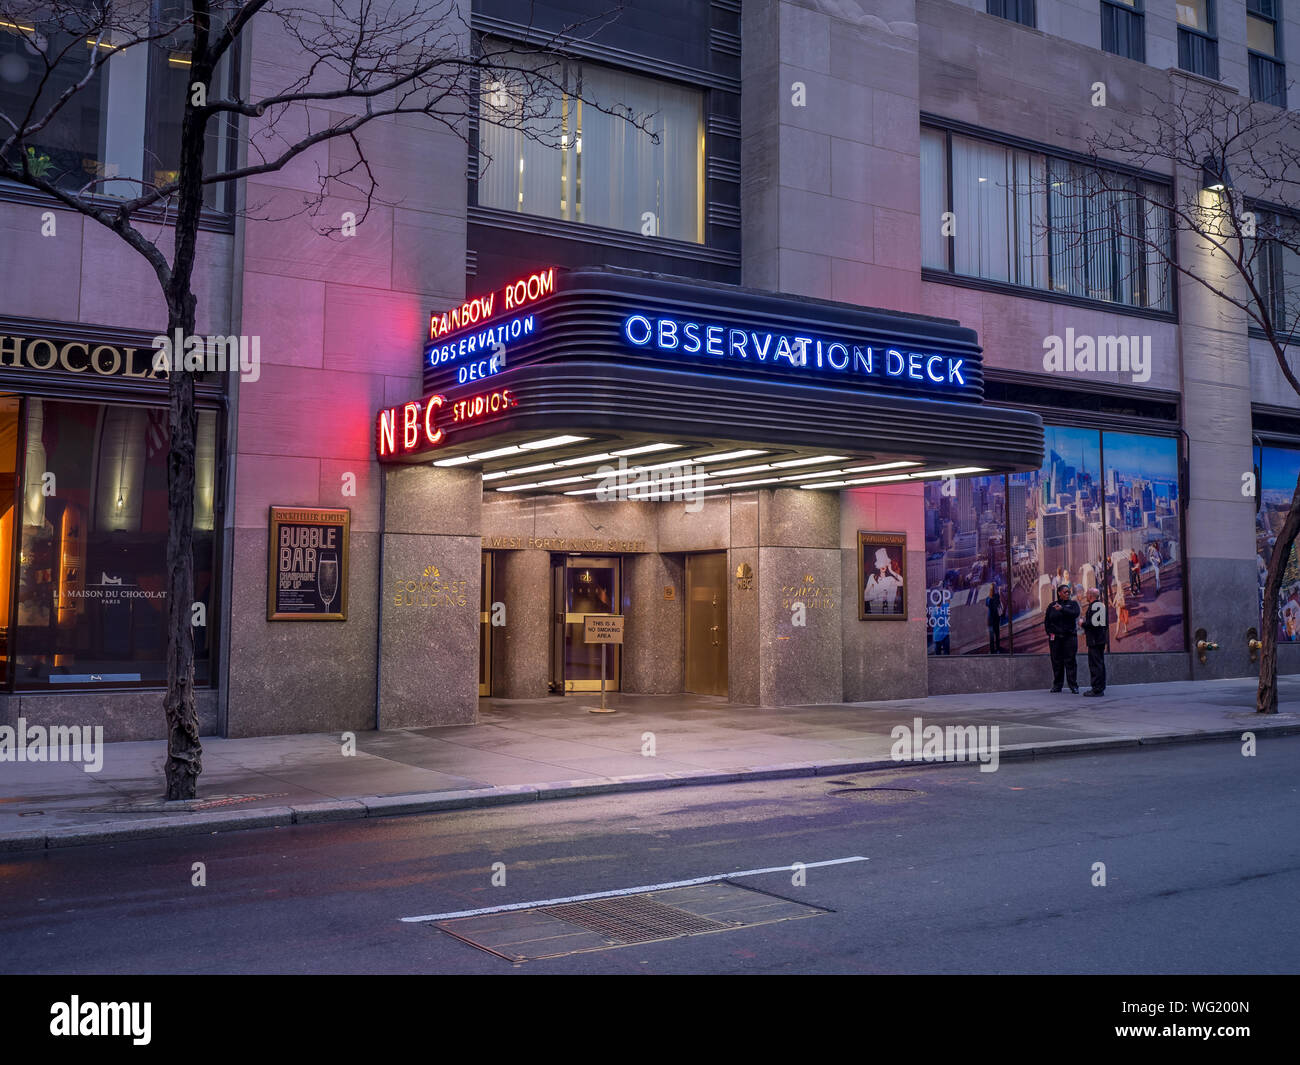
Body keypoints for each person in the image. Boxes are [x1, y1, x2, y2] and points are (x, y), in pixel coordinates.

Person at [1044, 581, 1081, 693]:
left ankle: (1073, 686)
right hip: (1055, 639)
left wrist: (1062, 609)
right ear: (1059, 593)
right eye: (1065, 592)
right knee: (1056, 662)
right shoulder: (1052, 606)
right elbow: (1047, 621)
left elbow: (1075, 614)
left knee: (1070, 662)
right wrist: (1050, 632)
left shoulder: (1073, 604)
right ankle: (1057, 685)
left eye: (1068, 592)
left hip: (1069, 638)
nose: (1068, 594)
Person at [1081, 587, 1108, 696]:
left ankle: (1096, 689)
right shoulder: (1101, 606)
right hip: (1100, 639)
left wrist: (1082, 624)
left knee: (1095, 664)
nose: (1086, 596)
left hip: (1094, 641)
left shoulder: (1094, 606)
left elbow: (1092, 624)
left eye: (1087, 594)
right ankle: (1100, 687)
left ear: (1091, 596)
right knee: (1100, 663)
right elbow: (1104, 624)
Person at [864, 547, 903, 614]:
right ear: (878, 565)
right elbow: (864, 597)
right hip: (875, 616)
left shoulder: (890, 579)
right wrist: (878, 595)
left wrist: (891, 571)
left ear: (887, 564)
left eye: (884, 563)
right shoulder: (873, 577)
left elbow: (902, 582)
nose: (883, 566)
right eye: (880, 563)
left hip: (888, 615)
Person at [987, 588, 1003, 653]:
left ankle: (992, 650)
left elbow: (987, 604)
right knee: (997, 634)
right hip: (996, 618)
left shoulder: (988, 599)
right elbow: (999, 605)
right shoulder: (997, 597)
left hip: (991, 619)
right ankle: (998, 648)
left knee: (991, 636)